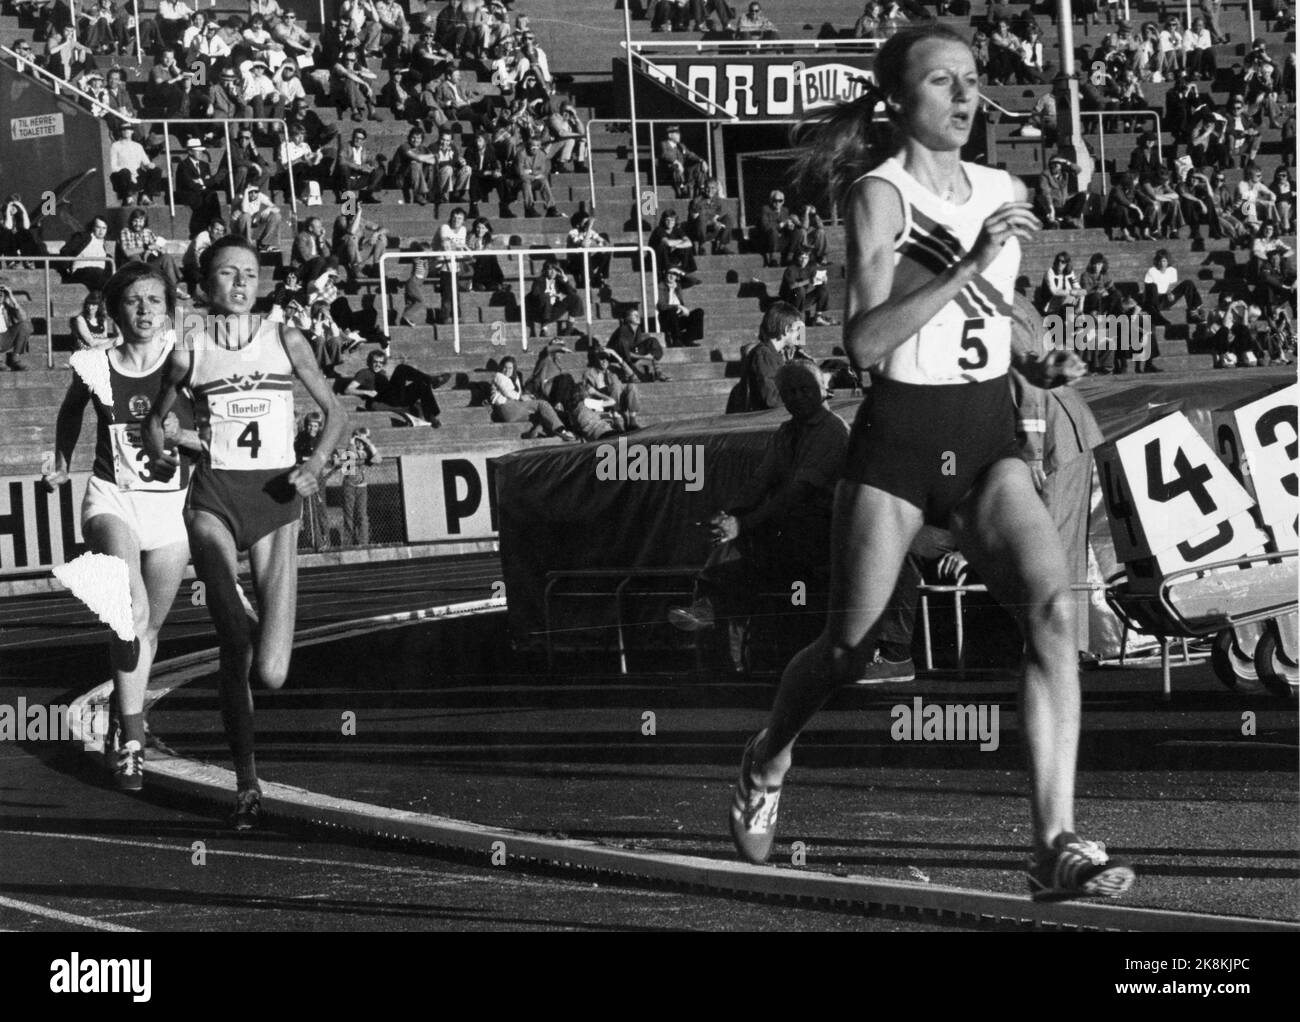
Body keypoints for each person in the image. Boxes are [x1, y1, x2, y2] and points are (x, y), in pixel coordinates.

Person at [730, 25, 1134, 901]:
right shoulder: (880, 195)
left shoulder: (1000, 186)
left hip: (988, 437)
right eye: (941, 82)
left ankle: (1053, 842)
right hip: (898, 448)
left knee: (1052, 614)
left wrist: (1035, 354)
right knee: (846, 648)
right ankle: (767, 757)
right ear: (900, 102)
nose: (963, 97)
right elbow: (867, 341)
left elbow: (1002, 306)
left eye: (972, 80)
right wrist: (970, 262)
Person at [143, 234, 347, 830]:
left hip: (276, 501)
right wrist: (168, 450)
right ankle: (247, 784)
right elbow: (155, 424)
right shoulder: (190, 349)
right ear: (206, 286)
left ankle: (258, 633)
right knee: (234, 638)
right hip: (213, 497)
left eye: (250, 274)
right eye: (227, 274)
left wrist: (316, 466)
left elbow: (337, 414)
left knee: (271, 672)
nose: (239, 284)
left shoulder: (286, 338)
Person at [43, 262, 197, 789]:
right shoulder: (93, 363)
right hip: (113, 500)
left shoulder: (186, 357)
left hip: (170, 510)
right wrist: (62, 461)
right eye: (134, 301)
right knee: (130, 612)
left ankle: (122, 717)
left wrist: (187, 439)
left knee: (148, 627)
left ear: (169, 309)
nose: (145, 311)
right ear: (114, 310)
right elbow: (70, 412)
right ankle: (132, 741)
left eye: (155, 301)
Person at [671, 360, 848, 673]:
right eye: (790, 391)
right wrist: (728, 516)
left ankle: (711, 610)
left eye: (806, 389)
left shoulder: (832, 431)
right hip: (791, 528)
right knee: (728, 544)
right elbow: (759, 481)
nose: (798, 396)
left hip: (825, 529)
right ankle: (719, 638)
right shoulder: (785, 433)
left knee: (753, 546)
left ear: (824, 391)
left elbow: (798, 492)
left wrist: (742, 524)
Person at [727, 301, 799, 412]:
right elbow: (772, 399)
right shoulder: (764, 355)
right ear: (786, 330)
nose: (799, 335)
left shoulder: (773, 354)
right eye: (797, 330)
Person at [344, 349, 443, 427]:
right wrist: (366, 392)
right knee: (401, 368)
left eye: (381, 362)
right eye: (375, 361)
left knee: (421, 384)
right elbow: (348, 390)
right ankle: (432, 380)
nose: (378, 364)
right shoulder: (364, 373)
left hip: (395, 398)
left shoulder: (381, 375)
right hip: (383, 399)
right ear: (369, 362)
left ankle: (431, 415)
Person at [488, 355, 573, 440]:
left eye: (510, 368)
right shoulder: (499, 376)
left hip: (513, 410)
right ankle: (561, 431)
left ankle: (536, 432)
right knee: (542, 404)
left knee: (544, 413)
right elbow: (507, 392)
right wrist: (521, 397)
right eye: (505, 367)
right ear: (501, 367)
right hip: (507, 407)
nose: (506, 370)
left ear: (514, 369)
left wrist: (527, 397)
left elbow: (516, 394)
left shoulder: (515, 379)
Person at [117, 208, 187, 300]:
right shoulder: (125, 231)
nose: (138, 224)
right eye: (135, 221)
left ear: (145, 222)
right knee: (134, 257)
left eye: (141, 221)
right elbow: (127, 252)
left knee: (166, 257)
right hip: (133, 266)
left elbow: (157, 246)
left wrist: (158, 249)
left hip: (149, 263)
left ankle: (173, 289)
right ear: (131, 221)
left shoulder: (148, 232)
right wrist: (146, 248)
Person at [333, 427, 380, 546]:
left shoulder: (366, 452)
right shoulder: (350, 450)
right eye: (358, 440)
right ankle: (349, 543)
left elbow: (378, 459)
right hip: (350, 485)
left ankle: (364, 542)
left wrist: (368, 443)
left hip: (362, 487)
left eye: (363, 440)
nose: (361, 443)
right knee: (349, 516)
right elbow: (348, 467)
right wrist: (352, 442)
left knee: (362, 516)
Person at [294, 410, 330, 551]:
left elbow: (335, 455)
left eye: (315, 426)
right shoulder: (301, 438)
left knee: (321, 508)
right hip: (306, 474)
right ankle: (315, 541)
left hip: (319, 476)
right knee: (309, 510)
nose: (312, 429)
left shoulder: (322, 438)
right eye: (310, 425)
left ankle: (326, 539)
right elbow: (297, 457)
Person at [607, 306, 669, 382]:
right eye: (634, 315)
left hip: (631, 353)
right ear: (627, 319)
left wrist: (648, 355)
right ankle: (631, 374)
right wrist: (643, 356)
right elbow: (624, 351)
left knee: (652, 341)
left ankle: (658, 372)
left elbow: (636, 348)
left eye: (638, 315)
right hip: (619, 356)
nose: (638, 317)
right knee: (623, 343)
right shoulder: (623, 329)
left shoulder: (638, 329)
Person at [108, 125, 163, 207]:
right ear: (121, 131)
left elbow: (146, 162)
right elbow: (113, 166)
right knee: (125, 172)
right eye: (124, 129)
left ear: (132, 131)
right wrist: (130, 174)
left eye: (129, 129)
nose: (126, 131)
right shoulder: (115, 146)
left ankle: (145, 197)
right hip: (123, 176)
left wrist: (150, 165)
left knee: (157, 170)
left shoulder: (138, 146)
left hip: (137, 175)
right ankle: (128, 198)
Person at [527, 259, 582, 338]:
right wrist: (554, 295)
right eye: (550, 269)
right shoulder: (539, 281)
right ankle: (544, 329)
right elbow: (535, 295)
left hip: (554, 310)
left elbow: (573, 293)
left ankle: (569, 329)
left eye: (555, 270)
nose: (553, 272)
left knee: (574, 298)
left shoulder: (558, 281)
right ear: (545, 270)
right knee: (546, 297)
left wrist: (565, 280)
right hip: (540, 311)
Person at [780, 248, 832, 326]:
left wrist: (823, 280)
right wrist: (809, 281)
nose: (804, 260)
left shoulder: (810, 267)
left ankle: (818, 317)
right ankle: (797, 317)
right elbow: (792, 286)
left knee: (823, 290)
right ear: (797, 258)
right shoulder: (790, 269)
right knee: (800, 290)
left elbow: (816, 283)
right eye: (801, 257)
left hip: (802, 299)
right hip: (790, 300)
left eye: (806, 258)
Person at [658, 125, 708, 200]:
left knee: (698, 166)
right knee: (676, 167)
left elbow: (690, 154)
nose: (679, 136)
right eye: (676, 134)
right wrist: (675, 161)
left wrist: (701, 160)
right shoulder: (663, 144)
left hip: (682, 173)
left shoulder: (681, 146)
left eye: (679, 134)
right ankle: (682, 192)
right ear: (670, 135)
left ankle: (702, 188)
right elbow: (664, 154)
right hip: (668, 173)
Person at [657, 267, 704, 346]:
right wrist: (678, 306)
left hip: (679, 317)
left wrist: (680, 272)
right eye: (669, 274)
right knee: (672, 312)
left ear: (677, 276)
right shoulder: (661, 286)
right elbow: (662, 306)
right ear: (665, 274)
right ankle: (676, 340)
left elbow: (696, 281)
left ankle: (688, 339)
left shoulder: (678, 285)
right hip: (668, 318)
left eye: (674, 274)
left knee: (699, 312)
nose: (672, 276)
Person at [686, 178, 734, 256]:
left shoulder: (717, 200)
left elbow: (716, 216)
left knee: (728, 218)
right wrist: (714, 223)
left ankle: (721, 246)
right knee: (702, 218)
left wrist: (716, 223)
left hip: (710, 229)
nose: (710, 190)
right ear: (704, 188)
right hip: (697, 231)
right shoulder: (697, 201)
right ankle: (701, 246)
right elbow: (695, 219)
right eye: (707, 188)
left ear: (716, 189)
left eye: (713, 188)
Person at [757, 190, 802, 267]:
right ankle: (773, 259)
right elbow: (765, 226)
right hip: (769, 240)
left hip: (781, 240)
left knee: (797, 231)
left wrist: (790, 226)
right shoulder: (765, 209)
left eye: (780, 201)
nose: (778, 203)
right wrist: (781, 225)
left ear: (783, 201)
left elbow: (786, 225)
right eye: (775, 200)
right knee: (773, 230)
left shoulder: (785, 210)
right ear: (771, 201)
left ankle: (789, 257)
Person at [0, 280, 33, 371]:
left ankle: (15, 359)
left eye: (2, 293)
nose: (0, 295)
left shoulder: (7, 307)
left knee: (25, 326)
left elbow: (24, 318)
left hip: (5, 338)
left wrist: (12, 299)